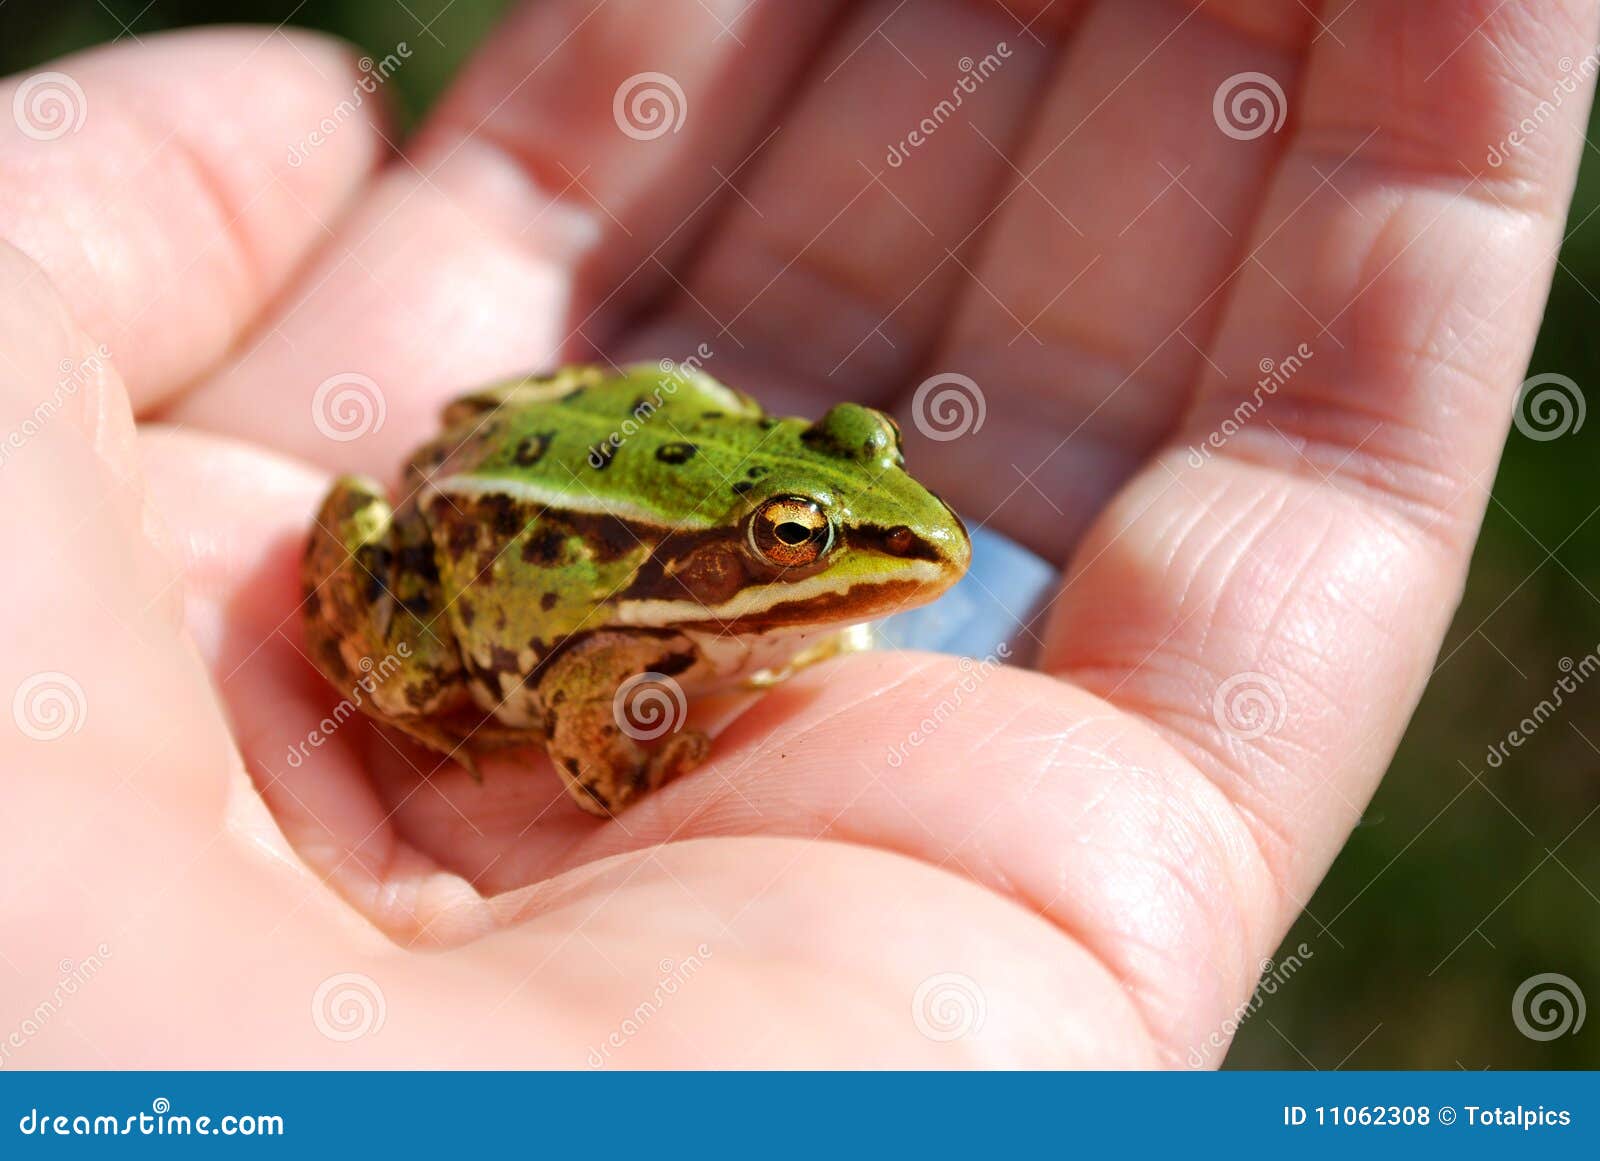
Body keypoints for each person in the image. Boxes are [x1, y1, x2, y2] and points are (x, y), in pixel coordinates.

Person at [0, 0, 1590, 1067]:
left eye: (840, 495)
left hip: (573, 432)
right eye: (793, 537)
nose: (864, 545)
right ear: (744, 546)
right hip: (472, 525)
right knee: (419, 660)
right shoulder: (636, 631)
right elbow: (581, 720)